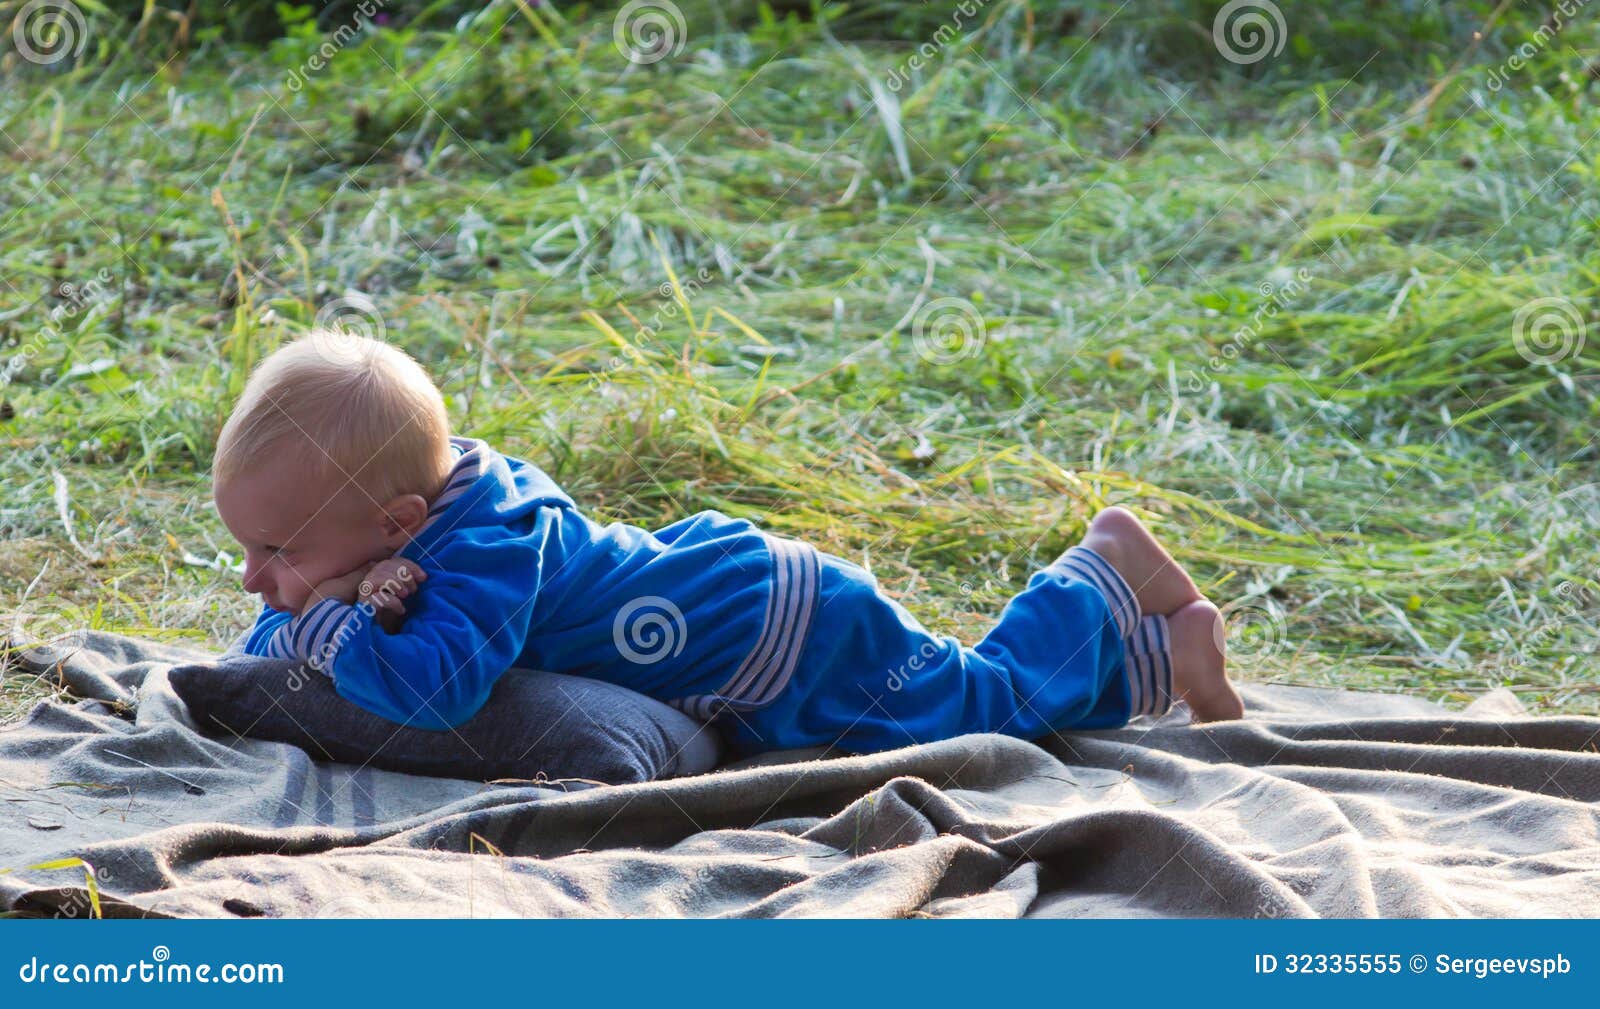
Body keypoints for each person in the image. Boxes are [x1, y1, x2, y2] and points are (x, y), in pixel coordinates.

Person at [213, 331, 1243, 760]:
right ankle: (1164, 658)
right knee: (986, 714)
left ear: (397, 521)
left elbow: (432, 693)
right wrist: (322, 598)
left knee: (976, 715)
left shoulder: (489, 544)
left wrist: (336, 616)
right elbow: (272, 639)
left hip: (776, 628)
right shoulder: (416, 500)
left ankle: (1101, 562)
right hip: (738, 618)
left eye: (277, 551)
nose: (260, 580)